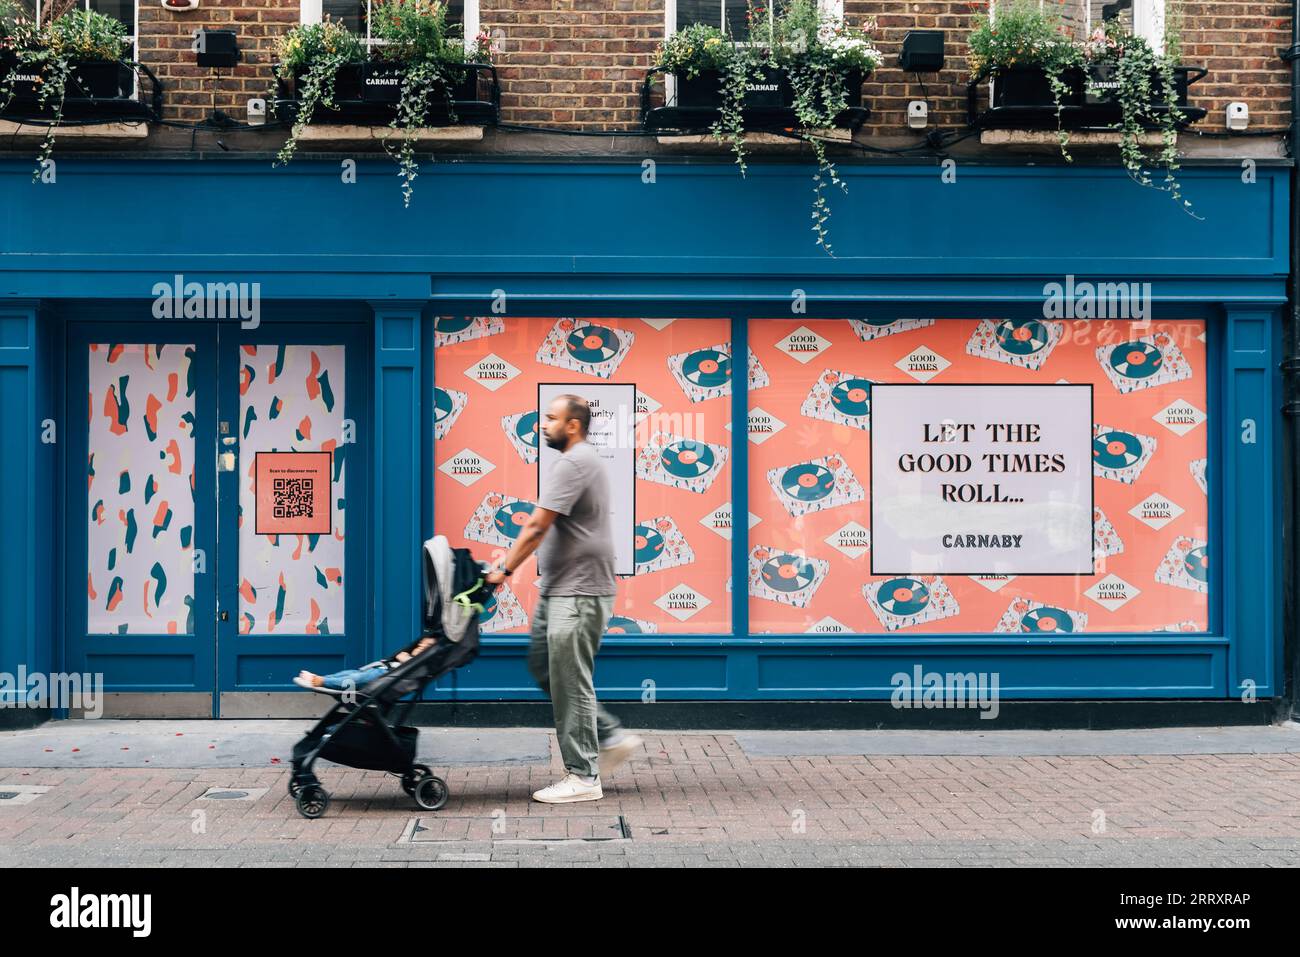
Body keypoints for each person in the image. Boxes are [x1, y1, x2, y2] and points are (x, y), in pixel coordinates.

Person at [486, 393, 642, 804]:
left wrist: (502, 571)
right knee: (544, 666)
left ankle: (583, 776)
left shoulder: (575, 462)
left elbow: (537, 525)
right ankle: (607, 736)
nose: (544, 424)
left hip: (579, 590)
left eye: (552, 418)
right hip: (561, 589)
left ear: (573, 425)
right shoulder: (575, 461)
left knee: (570, 680)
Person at [294, 637, 436, 691]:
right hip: (381, 670)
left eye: (426, 647)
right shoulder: (411, 658)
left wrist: (408, 658)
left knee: (353, 680)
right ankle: (322, 678)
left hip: (386, 677)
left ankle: (319, 681)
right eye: (420, 645)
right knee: (348, 673)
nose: (421, 647)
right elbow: (400, 655)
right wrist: (407, 656)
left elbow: (406, 660)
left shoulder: (421, 666)